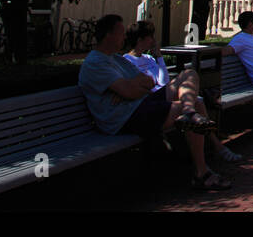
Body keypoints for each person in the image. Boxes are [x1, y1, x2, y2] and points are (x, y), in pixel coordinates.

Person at [78, 14, 235, 191]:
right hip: (124, 118)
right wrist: (131, 89)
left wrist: (129, 89)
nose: (124, 37)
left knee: (190, 75)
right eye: (121, 33)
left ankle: (189, 113)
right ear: (108, 35)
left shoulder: (117, 59)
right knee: (195, 105)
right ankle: (202, 173)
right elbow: (132, 90)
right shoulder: (95, 63)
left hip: (139, 104)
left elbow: (148, 82)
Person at [123, 19, 243, 165]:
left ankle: (191, 116)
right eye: (151, 37)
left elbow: (163, 81)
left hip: (161, 95)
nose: (154, 40)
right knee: (197, 101)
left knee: (190, 75)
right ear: (140, 39)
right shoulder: (127, 61)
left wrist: (159, 56)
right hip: (149, 103)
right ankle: (216, 147)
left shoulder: (148, 58)